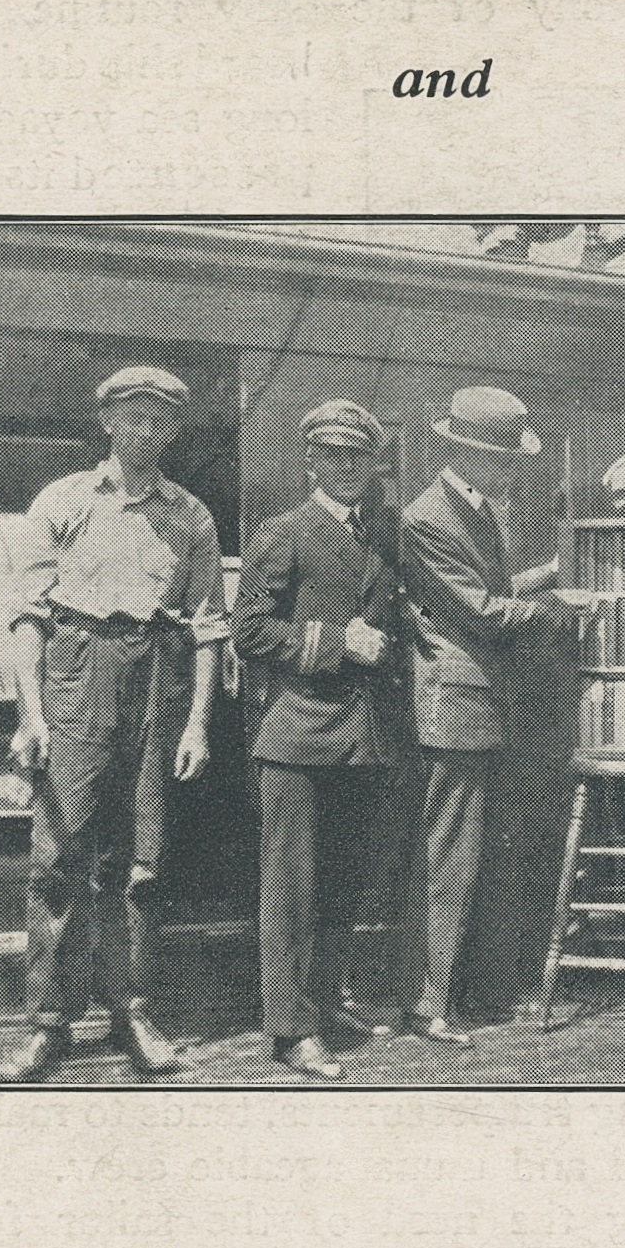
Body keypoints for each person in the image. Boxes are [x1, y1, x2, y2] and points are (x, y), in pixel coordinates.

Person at [0, 366, 228, 1085]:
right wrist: (31, 715)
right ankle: (46, 1023)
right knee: (58, 857)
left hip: (155, 678)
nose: (146, 432)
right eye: (133, 418)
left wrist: (197, 725)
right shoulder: (62, 501)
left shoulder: (190, 516)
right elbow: (29, 618)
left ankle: (132, 1011)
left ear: (174, 431)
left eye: (160, 421)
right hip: (76, 671)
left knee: (142, 859)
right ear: (108, 422)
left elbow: (208, 627)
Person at [399, 385, 584, 1044]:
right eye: (503, 460)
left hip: (479, 705)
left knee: (470, 854)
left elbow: (493, 591)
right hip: (455, 706)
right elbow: (478, 611)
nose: (511, 472)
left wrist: (548, 577)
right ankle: (428, 1005)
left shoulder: (472, 509)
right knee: (448, 857)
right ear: (465, 453)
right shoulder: (429, 517)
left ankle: (462, 995)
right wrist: (554, 611)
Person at [231, 400, 405, 1081]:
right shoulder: (285, 533)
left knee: (342, 884)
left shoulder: (384, 535)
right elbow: (249, 632)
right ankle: (293, 1030)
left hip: (364, 738)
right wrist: (337, 642)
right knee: (292, 892)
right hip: (300, 734)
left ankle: (327, 1003)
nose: (348, 466)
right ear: (312, 463)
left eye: (358, 456)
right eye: (334, 456)